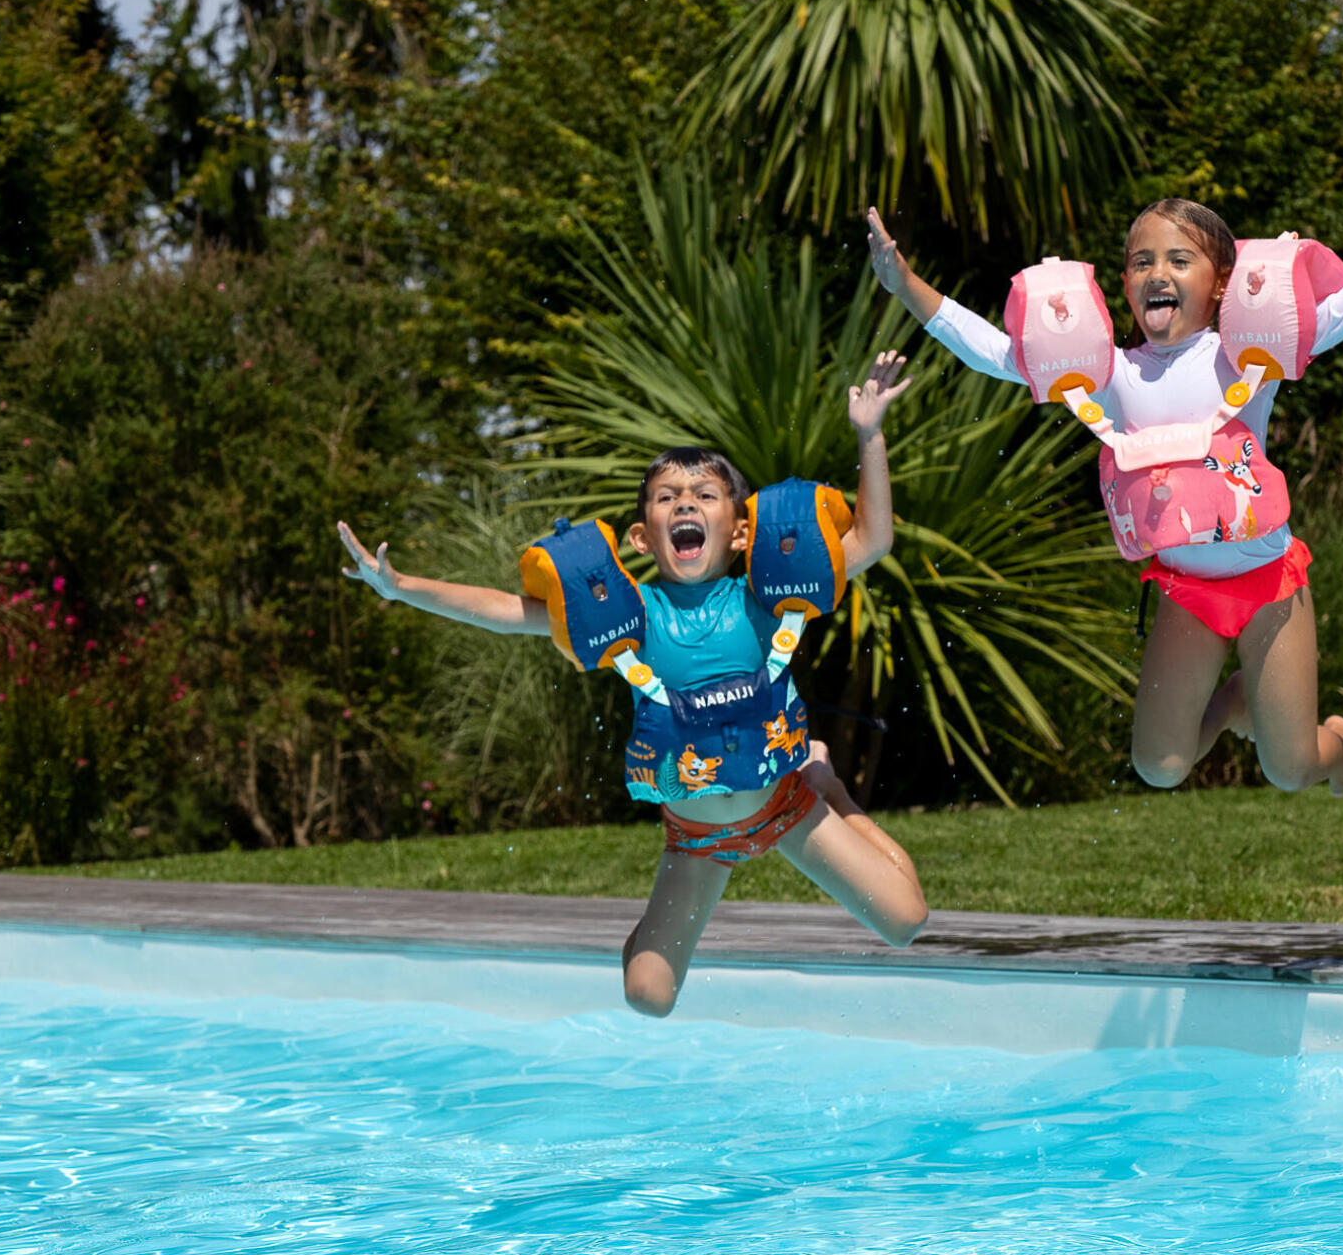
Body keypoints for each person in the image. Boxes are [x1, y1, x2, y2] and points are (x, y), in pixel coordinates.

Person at [336, 352, 929, 1016]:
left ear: (737, 531)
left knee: (905, 920)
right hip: (696, 832)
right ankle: (671, 921)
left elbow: (873, 540)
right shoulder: (633, 617)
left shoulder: (764, 599)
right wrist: (401, 587)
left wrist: (869, 433)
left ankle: (832, 784)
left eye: (704, 496)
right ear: (644, 537)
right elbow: (506, 613)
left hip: (787, 801)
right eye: (668, 498)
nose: (686, 504)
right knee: (648, 996)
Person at [866, 166, 1343, 797]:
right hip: (1189, 590)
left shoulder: (1245, 356)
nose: (1158, 273)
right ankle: (1238, 702)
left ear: (1221, 286)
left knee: (1289, 770)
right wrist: (905, 284)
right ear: (1123, 285)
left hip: (1267, 579)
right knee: (1159, 766)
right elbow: (996, 352)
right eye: (1141, 261)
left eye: (1180, 259)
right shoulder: (1112, 376)